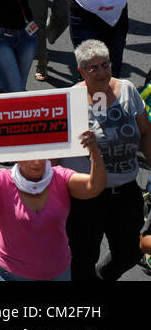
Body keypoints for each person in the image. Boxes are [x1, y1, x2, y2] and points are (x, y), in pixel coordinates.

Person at [0, 129, 105, 280]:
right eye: (29, 155)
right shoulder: (1, 181)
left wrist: (94, 153)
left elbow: (93, 187)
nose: (37, 162)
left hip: (57, 273)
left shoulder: (61, 177)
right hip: (9, 274)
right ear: (16, 156)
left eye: (41, 154)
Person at [62, 39, 151, 281]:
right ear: (81, 71)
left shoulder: (127, 90)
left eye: (105, 65)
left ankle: (103, 276)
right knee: (82, 259)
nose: (102, 72)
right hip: (86, 197)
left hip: (125, 192)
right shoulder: (69, 99)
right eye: (94, 68)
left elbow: (145, 131)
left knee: (130, 252)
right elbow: (52, 148)